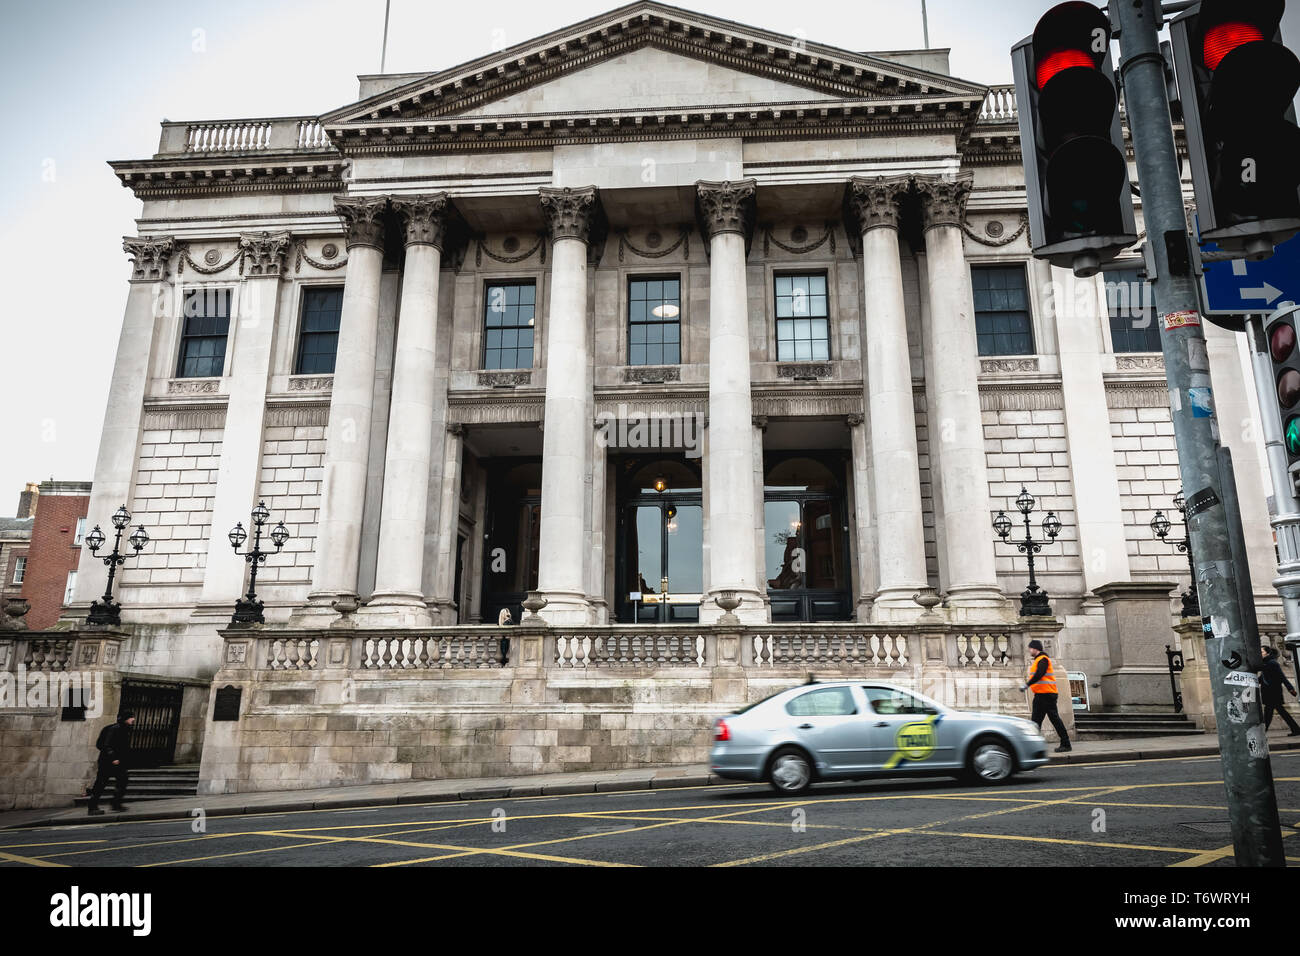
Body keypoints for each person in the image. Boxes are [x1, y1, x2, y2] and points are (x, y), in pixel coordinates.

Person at [1020, 640, 1071, 752]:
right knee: (1036, 721)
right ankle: (1033, 746)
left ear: (1035, 648)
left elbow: (1040, 674)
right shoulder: (1038, 660)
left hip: (1046, 695)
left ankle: (1066, 743)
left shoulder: (1043, 659)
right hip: (1041, 695)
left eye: (1030, 648)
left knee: (1053, 719)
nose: (1029, 650)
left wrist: (1027, 684)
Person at [88, 711, 135, 815]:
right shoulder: (114, 729)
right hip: (109, 762)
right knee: (101, 783)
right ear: (125, 719)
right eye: (131, 717)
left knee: (123, 780)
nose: (133, 719)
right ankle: (92, 806)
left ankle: (116, 804)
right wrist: (113, 757)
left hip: (118, 762)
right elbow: (104, 745)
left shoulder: (124, 729)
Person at [1259, 646, 1300, 735]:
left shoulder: (1272, 663)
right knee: (1279, 712)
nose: (1260, 653)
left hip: (1273, 693)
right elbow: (1263, 678)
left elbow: (1282, 677)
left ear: (1268, 653)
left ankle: (1262, 733)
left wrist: (1290, 688)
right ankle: (1296, 729)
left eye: (1262, 651)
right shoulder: (1266, 663)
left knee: (1268, 713)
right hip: (1270, 693)